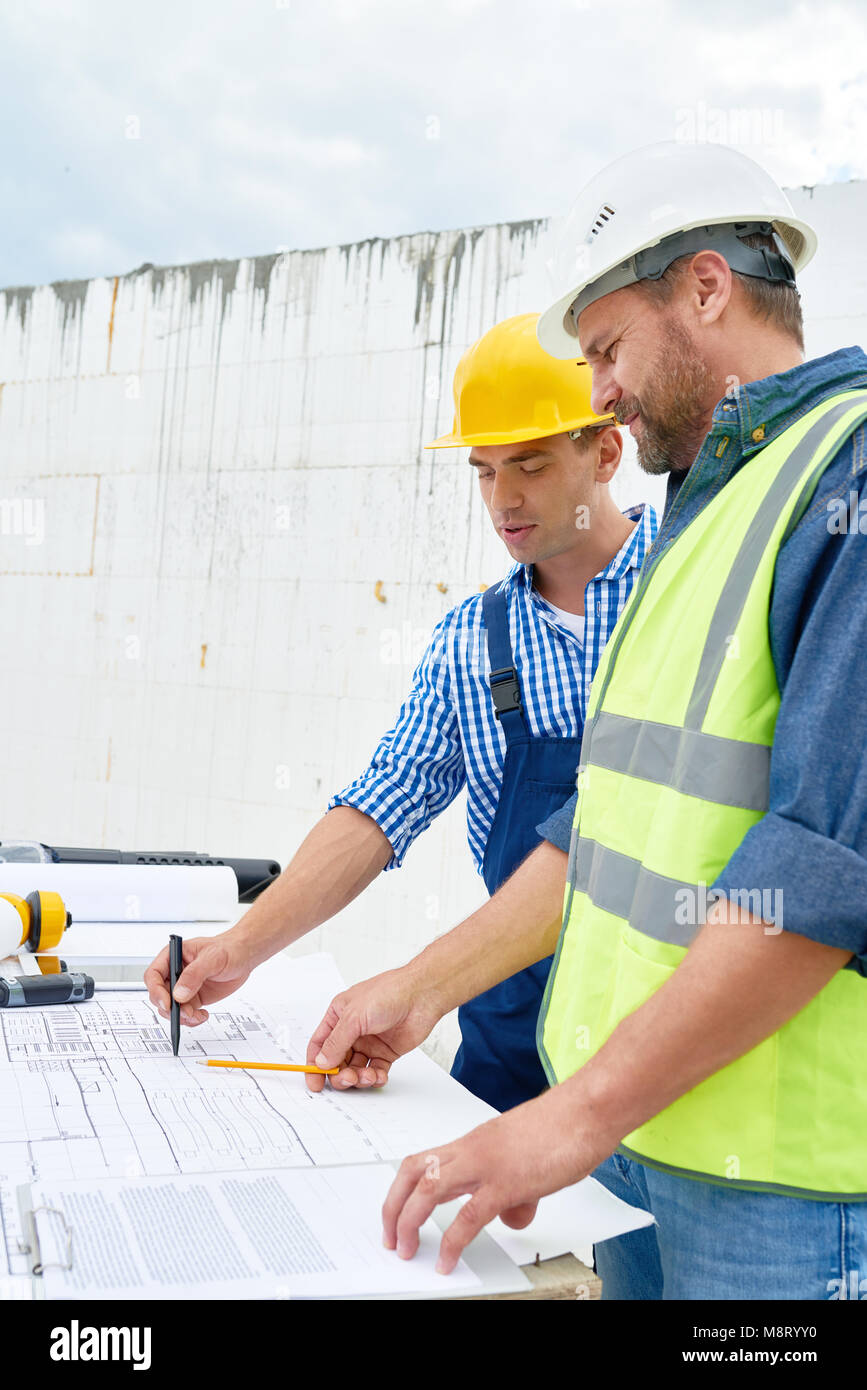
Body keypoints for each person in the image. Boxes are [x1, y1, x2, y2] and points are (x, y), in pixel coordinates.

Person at [308, 141, 867, 1301]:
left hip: (782, 1200)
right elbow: (602, 826)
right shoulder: (704, 517)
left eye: (608, 349)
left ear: (706, 287)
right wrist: (423, 988)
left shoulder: (840, 480)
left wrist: (565, 1120)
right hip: (650, 1156)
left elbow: (824, 874)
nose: (600, 390)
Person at [144, 312, 657, 1114]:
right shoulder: (471, 643)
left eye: (529, 464)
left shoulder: (687, 592)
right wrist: (243, 945)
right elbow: (379, 809)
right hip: (513, 1039)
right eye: (484, 471)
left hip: (666, 1043)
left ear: (605, 451)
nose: (504, 500)